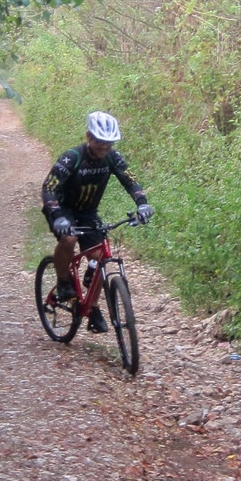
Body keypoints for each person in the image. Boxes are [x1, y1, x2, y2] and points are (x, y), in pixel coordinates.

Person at [42, 112, 153, 333]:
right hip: (62, 209)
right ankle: (63, 281)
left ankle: (92, 308)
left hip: (87, 212)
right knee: (69, 239)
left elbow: (130, 180)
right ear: (88, 137)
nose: (104, 147)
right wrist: (58, 216)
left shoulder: (112, 157)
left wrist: (142, 204)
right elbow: (49, 188)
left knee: (100, 257)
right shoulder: (71, 158)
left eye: (109, 143)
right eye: (100, 141)